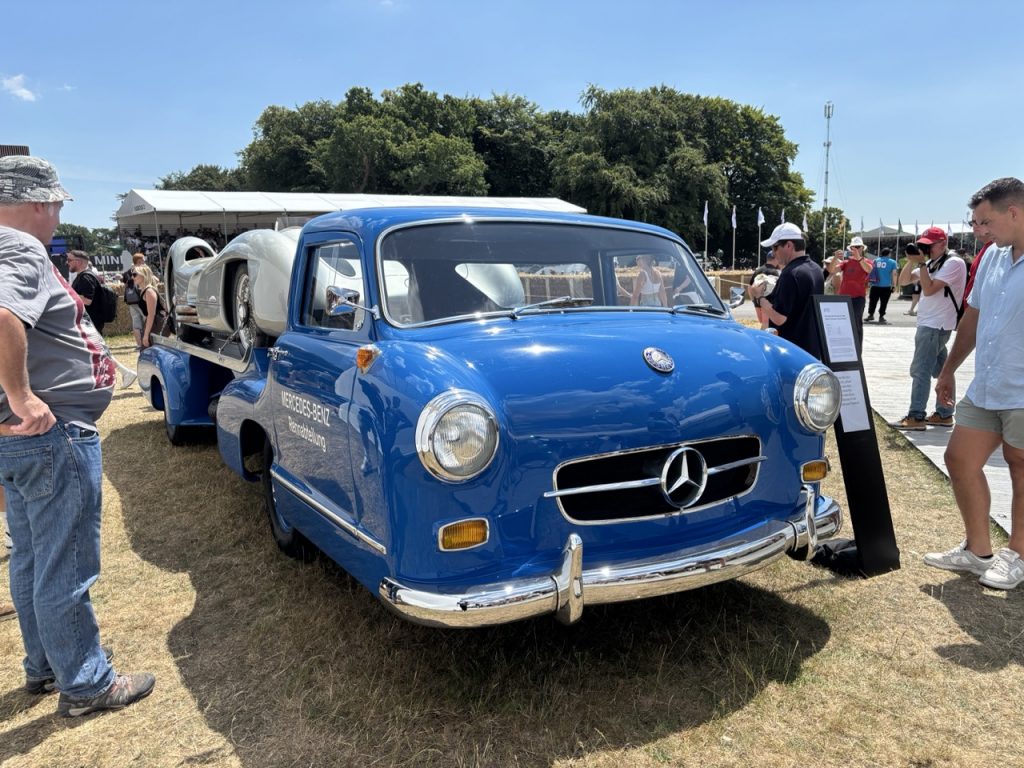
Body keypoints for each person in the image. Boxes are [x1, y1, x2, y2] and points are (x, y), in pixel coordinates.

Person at [0, 155, 155, 716]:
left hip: (21, 438)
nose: (59, 213)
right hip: (53, 431)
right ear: (38, 202)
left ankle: (46, 665)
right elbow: (2, 315)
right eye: (58, 203)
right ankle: (87, 683)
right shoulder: (16, 246)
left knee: (34, 556)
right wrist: (21, 396)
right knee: (65, 562)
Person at [925, 177, 1024, 589]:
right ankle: (978, 550)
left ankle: (1017, 555)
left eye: (984, 222)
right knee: (959, 459)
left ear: (1014, 213)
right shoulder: (992, 257)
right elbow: (973, 317)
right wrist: (948, 370)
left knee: (1021, 469)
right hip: (987, 384)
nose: (978, 231)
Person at [892, 226, 967, 430]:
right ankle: (944, 414)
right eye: (922, 246)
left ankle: (916, 416)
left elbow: (930, 288)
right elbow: (903, 281)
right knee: (944, 370)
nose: (924, 249)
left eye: (928, 246)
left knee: (920, 370)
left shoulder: (953, 263)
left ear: (943, 243)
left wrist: (922, 263)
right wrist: (911, 259)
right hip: (931, 325)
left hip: (935, 326)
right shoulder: (933, 262)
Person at [67, 250, 138, 389]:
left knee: (98, 350)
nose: (67, 263)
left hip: (91, 321)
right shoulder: (88, 276)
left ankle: (123, 373)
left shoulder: (85, 278)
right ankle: (122, 373)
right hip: (91, 321)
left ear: (79, 261)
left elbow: (87, 300)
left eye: (69, 260)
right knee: (96, 350)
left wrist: (69, 293)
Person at [758, 222, 824, 359]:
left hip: (791, 351)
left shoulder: (791, 273)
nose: (774, 253)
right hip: (811, 348)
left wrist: (759, 297)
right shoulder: (816, 269)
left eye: (775, 247)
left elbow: (779, 318)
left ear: (789, 245)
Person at [828, 236, 873, 354]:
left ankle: (858, 352)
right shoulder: (846, 262)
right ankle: (845, 348)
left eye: (858, 247)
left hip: (858, 297)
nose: (856, 249)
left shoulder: (866, 261)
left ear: (863, 248)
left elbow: (869, 270)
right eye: (854, 247)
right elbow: (832, 270)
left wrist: (859, 259)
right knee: (843, 323)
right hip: (844, 298)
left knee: (856, 323)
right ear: (851, 248)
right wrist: (834, 258)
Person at [132, 263, 169, 347]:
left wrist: (146, 335)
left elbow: (151, 315)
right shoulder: (145, 290)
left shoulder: (149, 291)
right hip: (152, 324)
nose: (132, 277)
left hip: (156, 324)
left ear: (143, 275)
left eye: (135, 274)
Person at [865, 247, 899, 324]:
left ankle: (871, 315)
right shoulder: (893, 262)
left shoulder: (875, 261)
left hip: (875, 285)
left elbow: (871, 272)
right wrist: (894, 285)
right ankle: (881, 316)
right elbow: (894, 274)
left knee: (873, 301)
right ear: (889, 254)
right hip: (886, 286)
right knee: (884, 302)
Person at [747, 250, 781, 328]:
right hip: (768, 301)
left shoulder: (758, 270)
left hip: (757, 300)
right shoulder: (775, 272)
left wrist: (754, 300)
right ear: (775, 258)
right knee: (767, 324)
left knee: (763, 323)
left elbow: (749, 287)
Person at [122, 252, 147, 350]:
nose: (144, 262)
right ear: (139, 261)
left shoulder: (127, 272)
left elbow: (125, 285)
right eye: (143, 261)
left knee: (136, 322)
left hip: (131, 300)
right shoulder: (142, 271)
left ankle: (139, 344)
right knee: (146, 320)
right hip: (142, 299)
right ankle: (146, 342)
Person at [903, 243, 922, 315]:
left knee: (916, 297)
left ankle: (912, 310)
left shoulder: (922, 267)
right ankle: (914, 310)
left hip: (918, 284)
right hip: (918, 284)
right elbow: (903, 281)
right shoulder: (918, 269)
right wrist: (910, 260)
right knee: (916, 297)